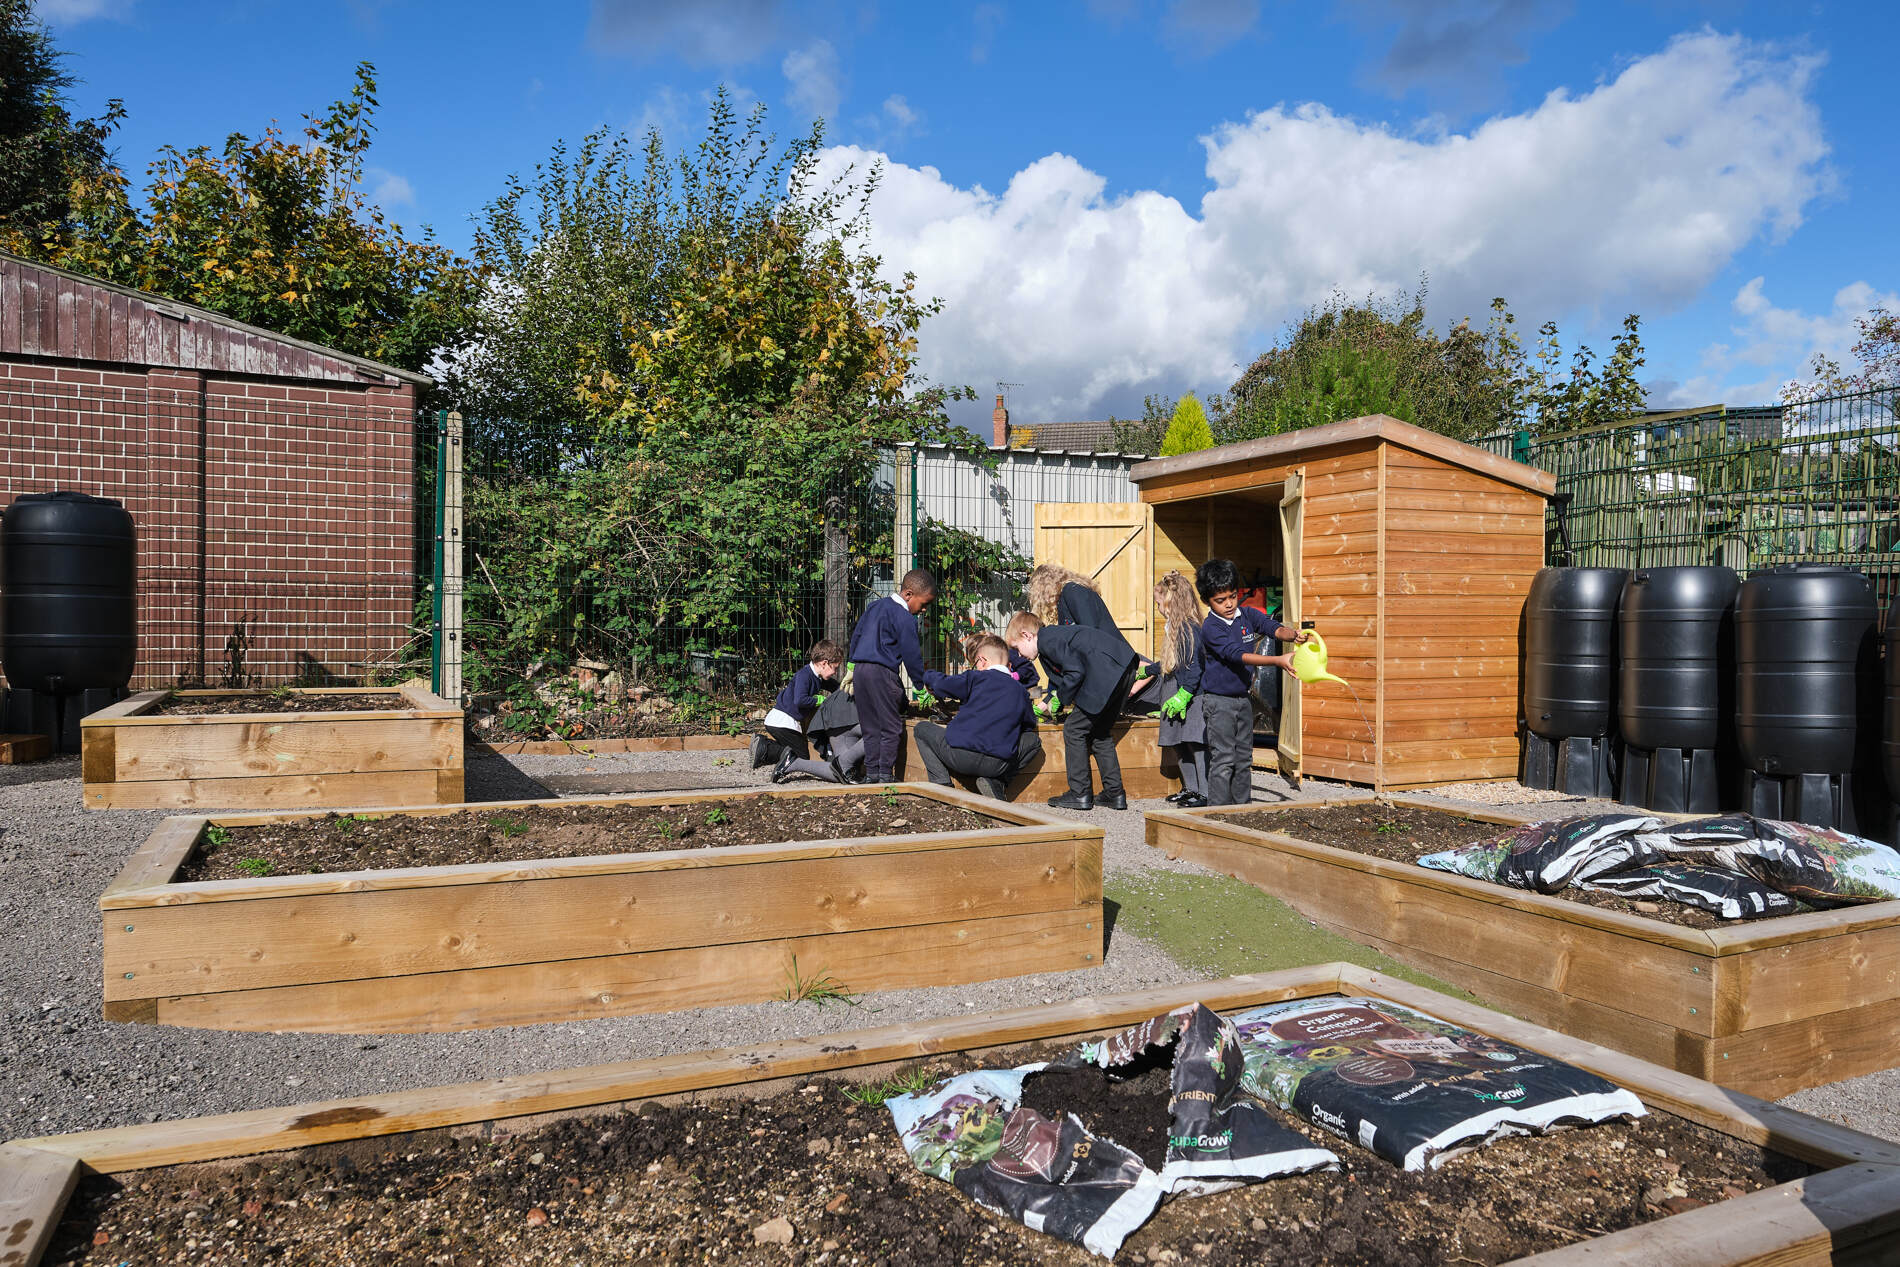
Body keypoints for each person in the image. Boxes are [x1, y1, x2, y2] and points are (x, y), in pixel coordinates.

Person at [1197, 557, 1310, 806]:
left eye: (1232, 596)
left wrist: (1293, 635)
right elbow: (1237, 655)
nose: (1228, 604)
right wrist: (1279, 660)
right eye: (1220, 600)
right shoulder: (1210, 628)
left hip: (1243, 700)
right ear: (1207, 601)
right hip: (1218, 703)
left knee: (1243, 759)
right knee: (1223, 759)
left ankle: (1242, 811)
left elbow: (1271, 627)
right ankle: (1216, 816)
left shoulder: (1246, 615)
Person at [1006, 609, 1138, 811]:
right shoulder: (1055, 636)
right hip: (1122, 668)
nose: (1019, 654)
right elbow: (1071, 670)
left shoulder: (1047, 640)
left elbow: (1075, 671)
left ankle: (1080, 793)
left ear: (1027, 635)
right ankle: (1114, 793)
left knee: (1073, 729)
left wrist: (1061, 697)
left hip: (1107, 674)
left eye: (1017, 648)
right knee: (1100, 733)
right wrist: (1057, 695)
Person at [911, 633, 1042, 800]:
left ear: (982, 660)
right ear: (1009, 665)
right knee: (1033, 741)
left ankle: (941, 784)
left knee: (922, 729)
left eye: (976, 663)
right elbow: (1029, 724)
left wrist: (927, 676)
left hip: (959, 756)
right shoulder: (1020, 691)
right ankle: (997, 782)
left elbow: (941, 684)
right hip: (996, 764)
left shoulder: (975, 678)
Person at [1026, 562, 1158, 710]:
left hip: (1128, 674)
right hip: (1118, 672)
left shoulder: (1072, 592)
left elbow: (1092, 640)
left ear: (1044, 587)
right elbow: (1066, 659)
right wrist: (1045, 704)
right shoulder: (1068, 597)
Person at [845, 568, 935, 784]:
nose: (923, 610)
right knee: (890, 726)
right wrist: (920, 686)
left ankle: (872, 774)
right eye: (923, 604)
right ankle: (885, 774)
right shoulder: (903, 616)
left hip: (861, 671)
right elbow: (911, 654)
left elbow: (856, 633)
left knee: (870, 726)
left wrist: (851, 665)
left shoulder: (874, 606)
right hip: (882, 674)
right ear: (908, 594)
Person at [1152, 571, 1210, 808]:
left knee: (1195, 742)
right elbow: (1174, 661)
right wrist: (1149, 671)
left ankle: (1205, 792)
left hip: (1192, 695)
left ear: (1171, 601)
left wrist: (1184, 695)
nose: (1157, 607)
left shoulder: (1188, 628)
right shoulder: (1173, 627)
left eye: (1158, 601)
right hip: (1175, 690)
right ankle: (1191, 788)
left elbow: (1194, 666)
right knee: (1180, 741)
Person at [750, 638, 845, 770]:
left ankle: (766, 750)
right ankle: (765, 747)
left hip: (784, 722)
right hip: (782, 721)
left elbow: (836, 687)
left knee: (799, 753)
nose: (835, 672)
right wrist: (818, 700)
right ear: (824, 663)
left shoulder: (817, 677)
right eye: (834, 668)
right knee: (801, 758)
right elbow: (800, 700)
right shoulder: (805, 675)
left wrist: (846, 690)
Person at [772, 687, 868, 785]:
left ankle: (793, 763)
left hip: (837, 710)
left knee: (845, 774)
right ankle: (844, 762)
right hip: (848, 710)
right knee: (882, 733)